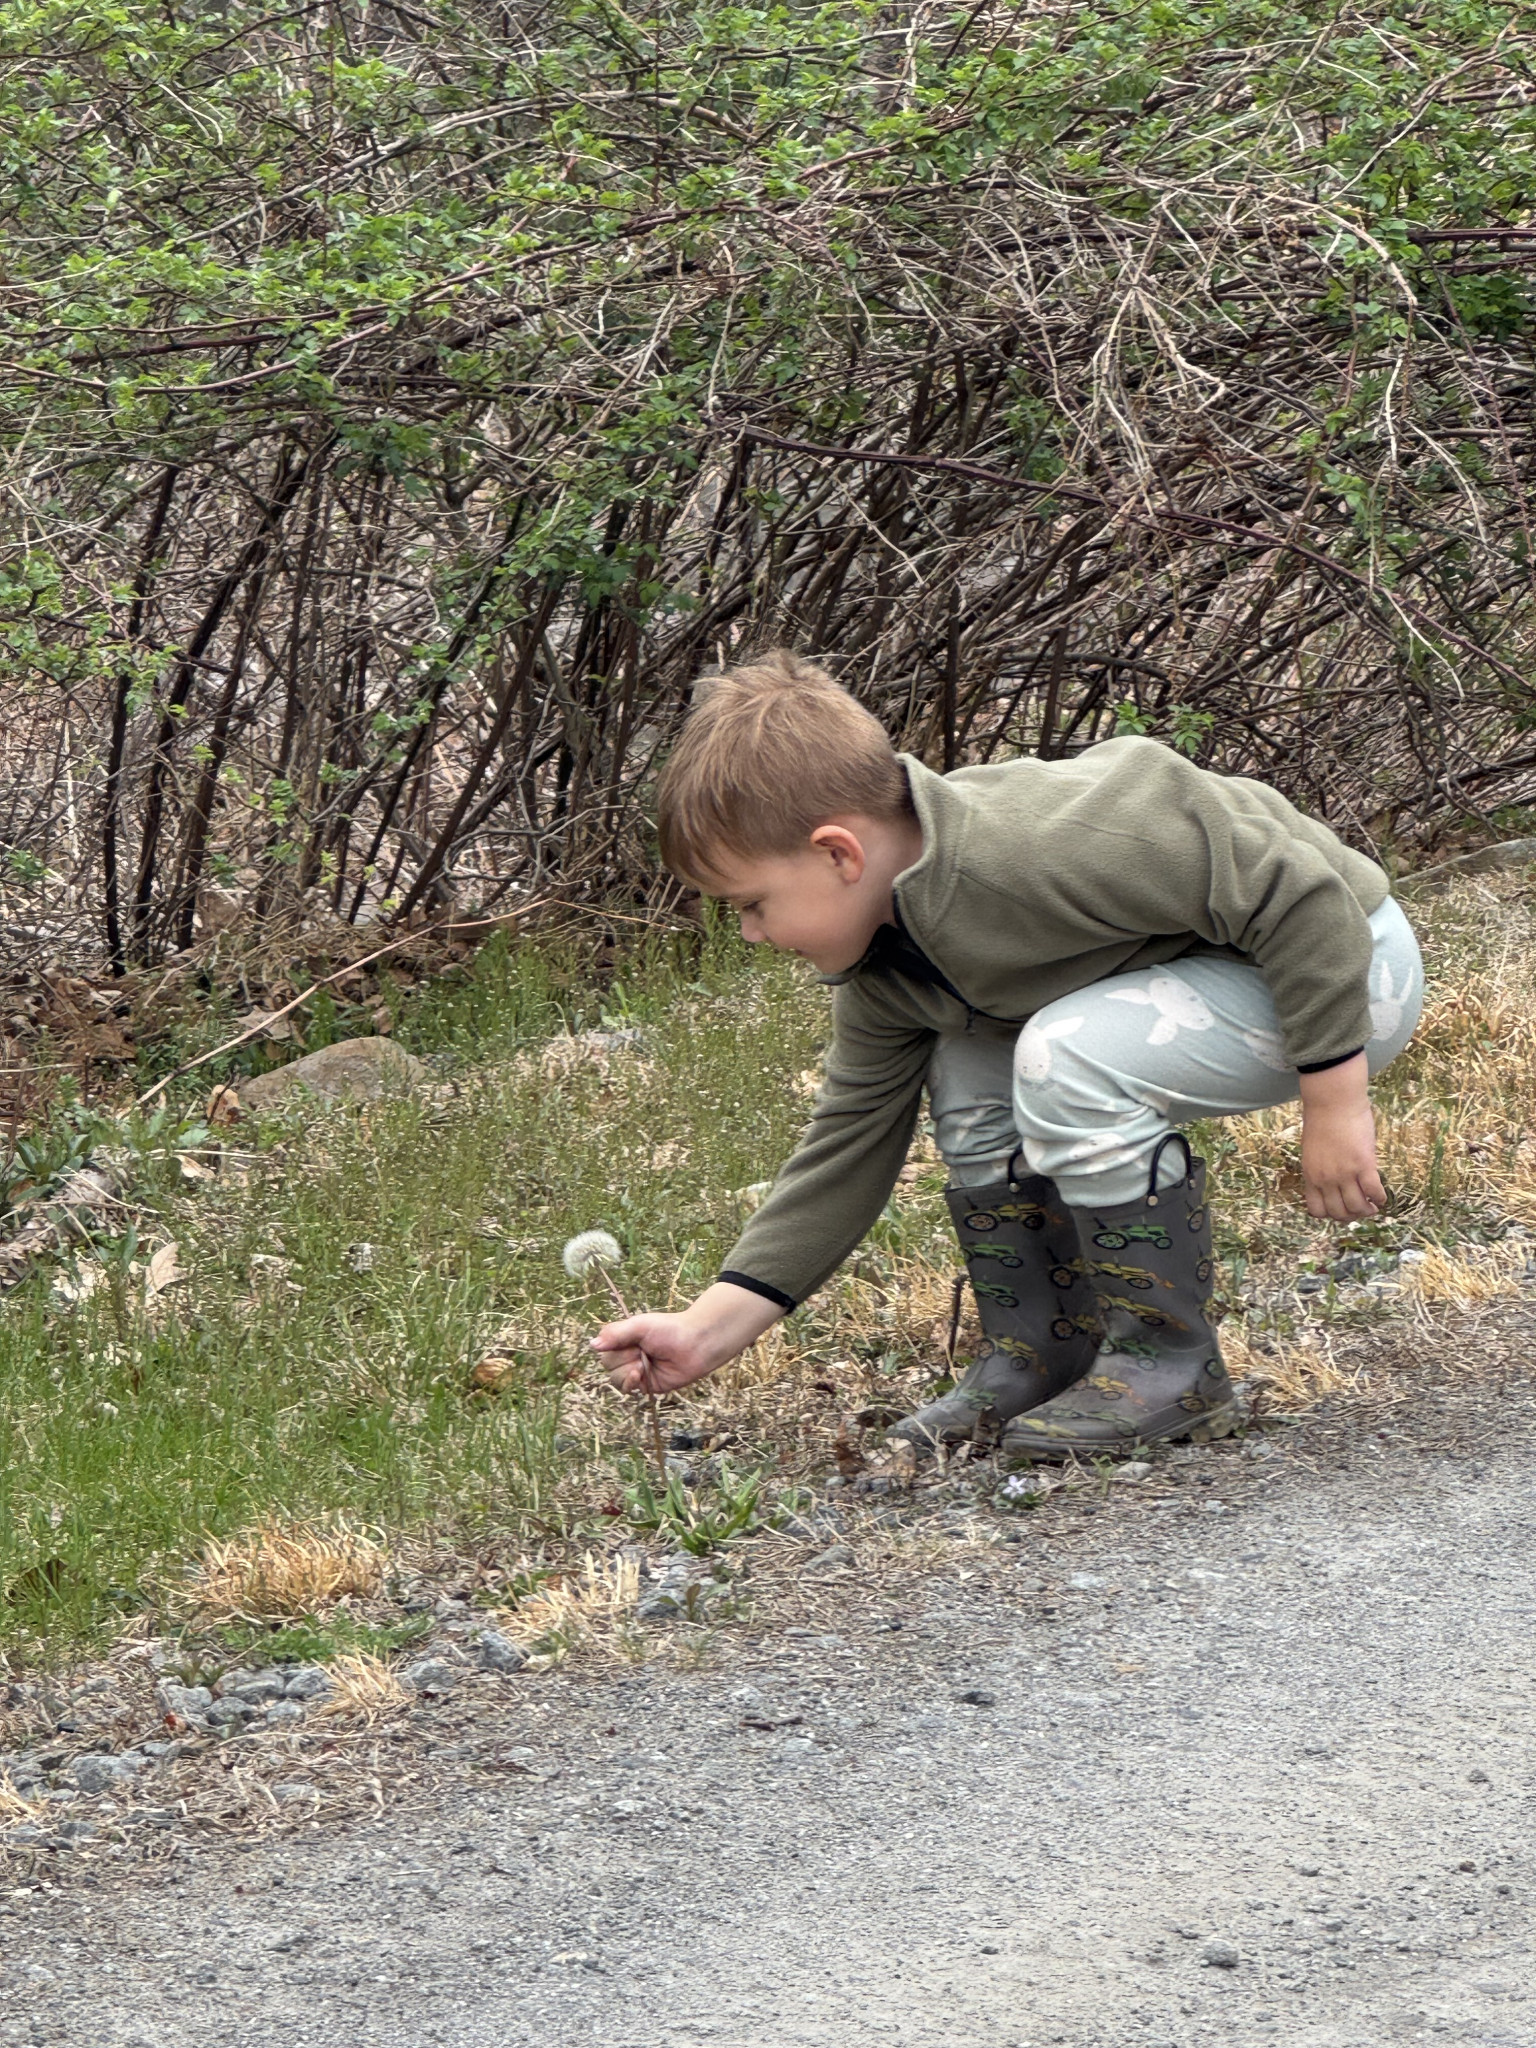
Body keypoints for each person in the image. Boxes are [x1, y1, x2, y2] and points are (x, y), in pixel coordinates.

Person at [592, 650, 1424, 1461]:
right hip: (1213, 986)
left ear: (838, 853)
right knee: (968, 1069)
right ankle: (1043, 1355)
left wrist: (1334, 1103)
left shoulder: (1035, 846)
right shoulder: (887, 972)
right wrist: (706, 1330)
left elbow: (1300, 895)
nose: (749, 933)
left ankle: (1170, 1365)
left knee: (1062, 1055)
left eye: (752, 904)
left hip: (1345, 973)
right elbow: (847, 1146)